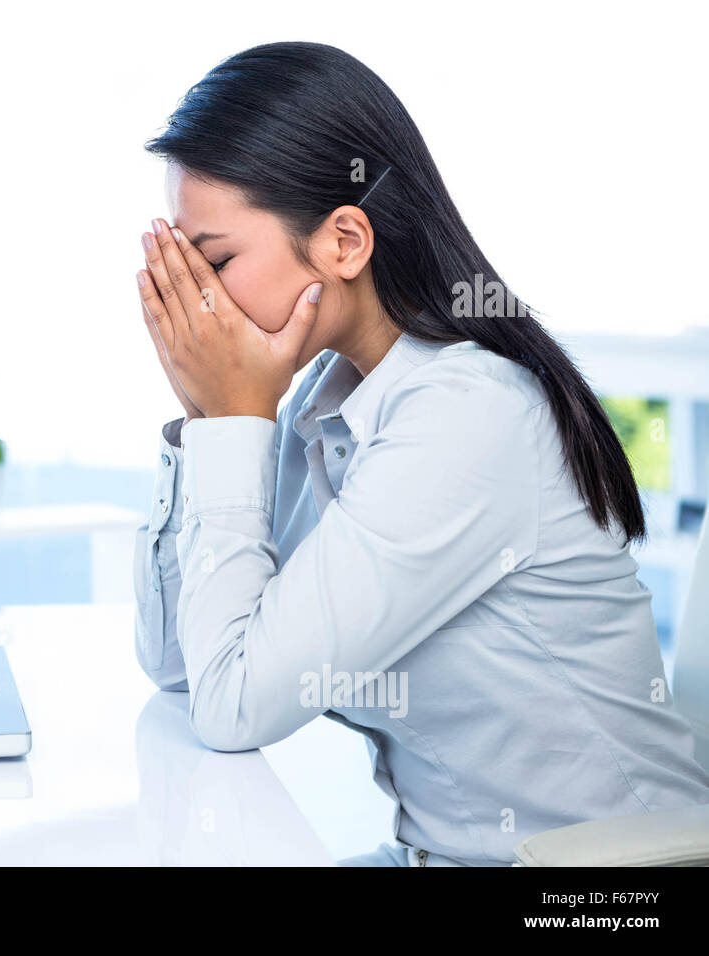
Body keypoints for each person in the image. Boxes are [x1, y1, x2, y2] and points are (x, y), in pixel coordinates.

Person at [131, 41, 709, 866]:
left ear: (346, 241)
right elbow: (183, 667)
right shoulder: (320, 404)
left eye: (215, 263)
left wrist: (231, 421)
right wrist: (203, 422)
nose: (197, 303)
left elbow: (232, 707)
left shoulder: (466, 417)